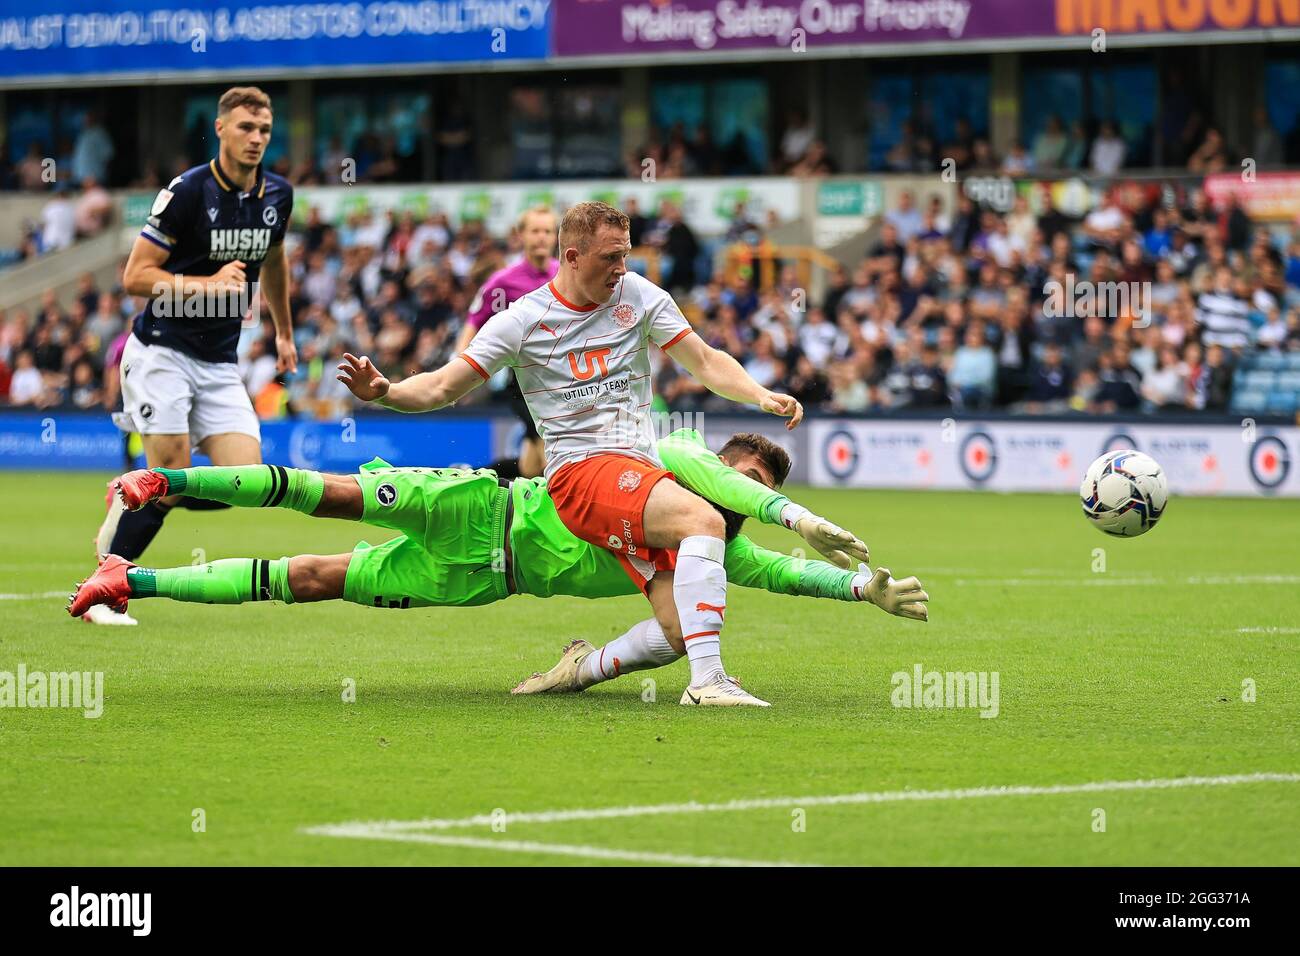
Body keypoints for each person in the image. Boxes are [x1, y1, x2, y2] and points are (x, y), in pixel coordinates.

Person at [335, 201, 867, 707]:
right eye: (610, 256)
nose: (622, 266)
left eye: (626, 254)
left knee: (679, 627)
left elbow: (702, 360)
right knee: (703, 520)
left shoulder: (637, 295)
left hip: (638, 473)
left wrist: (759, 395)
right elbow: (441, 387)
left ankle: (579, 670)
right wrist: (386, 393)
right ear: (572, 256)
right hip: (579, 474)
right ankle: (709, 682)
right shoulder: (521, 322)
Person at [69, 433, 928, 695]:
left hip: (479, 579)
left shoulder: (709, 550)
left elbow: (782, 574)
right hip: (481, 504)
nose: (742, 494)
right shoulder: (675, 467)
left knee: (312, 579)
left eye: (759, 488)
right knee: (326, 494)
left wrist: (862, 588)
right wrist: (797, 514)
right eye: (746, 478)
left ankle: (130, 578)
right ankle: (163, 478)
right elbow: (702, 467)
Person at [88, 86, 296, 626]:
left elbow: (273, 263)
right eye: (246, 128)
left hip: (220, 361)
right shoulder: (185, 192)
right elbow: (134, 278)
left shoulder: (278, 195)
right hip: (162, 350)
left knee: (247, 482)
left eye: (265, 130)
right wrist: (205, 285)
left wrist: (284, 333)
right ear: (221, 129)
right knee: (174, 469)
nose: (257, 139)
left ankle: (139, 491)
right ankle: (107, 588)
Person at [453, 206, 558, 479]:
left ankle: (474, 477)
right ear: (521, 235)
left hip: (561, 380)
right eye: (535, 231)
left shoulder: (565, 275)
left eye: (547, 231)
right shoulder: (503, 281)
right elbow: (472, 324)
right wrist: (459, 372)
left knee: (530, 469)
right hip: (523, 384)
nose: (542, 237)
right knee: (554, 457)